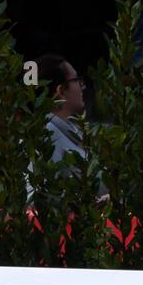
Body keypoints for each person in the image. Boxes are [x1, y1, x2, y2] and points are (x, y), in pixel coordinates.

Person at [33, 54, 108, 200]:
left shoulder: (72, 131)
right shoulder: (45, 136)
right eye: (76, 80)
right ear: (61, 90)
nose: (83, 86)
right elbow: (43, 200)